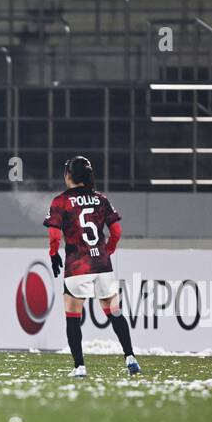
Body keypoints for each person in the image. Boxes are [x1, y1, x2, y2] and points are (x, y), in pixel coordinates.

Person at [43, 155, 139, 378]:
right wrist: (109, 250)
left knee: (73, 315)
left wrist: (53, 254)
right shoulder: (101, 199)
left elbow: (54, 234)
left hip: (78, 266)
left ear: (68, 175)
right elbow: (116, 232)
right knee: (114, 312)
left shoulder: (61, 201)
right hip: (102, 264)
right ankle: (130, 357)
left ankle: (79, 366)